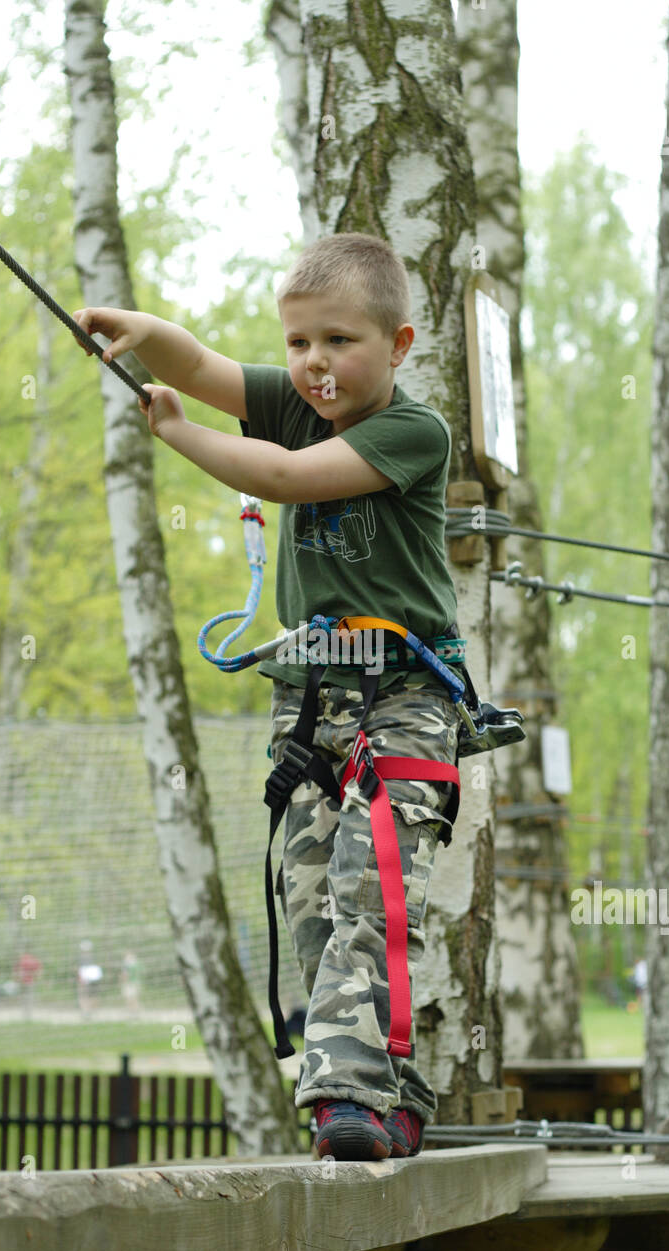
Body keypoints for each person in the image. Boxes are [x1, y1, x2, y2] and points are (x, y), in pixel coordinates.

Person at [72, 233, 466, 1162]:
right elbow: (203, 366)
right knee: (313, 907)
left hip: (402, 699)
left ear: (399, 345)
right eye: (298, 345)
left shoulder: (413, 433)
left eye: (339, 342)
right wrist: (142, 332)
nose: (314, 365)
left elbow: (285, 479)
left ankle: (344, 1100)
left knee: (370, 891)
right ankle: (392, 1095)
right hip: (311, 708)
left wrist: (179, 435)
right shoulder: (295, 404)